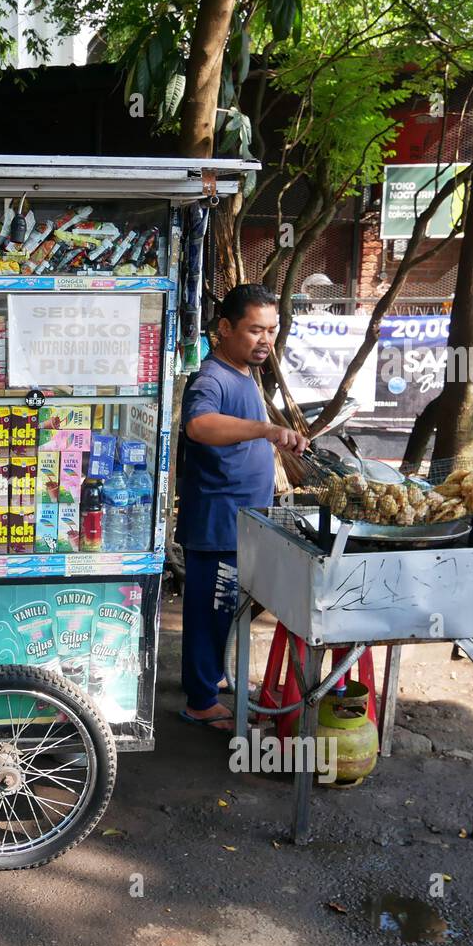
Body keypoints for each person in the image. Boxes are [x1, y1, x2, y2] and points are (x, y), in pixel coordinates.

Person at [176, 284, 308, 731]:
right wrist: (266, 430)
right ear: (225, 328)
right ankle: (200, 701)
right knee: (208, 610)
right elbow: (199, 424)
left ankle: (209, 678)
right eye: (255, 330)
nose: (265, 340)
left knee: (223, 610)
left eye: (271, 330)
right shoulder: (213, 376)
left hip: (240, 523)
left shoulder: (243, 373)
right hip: (217, 522)